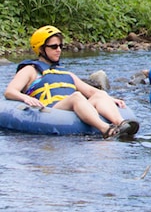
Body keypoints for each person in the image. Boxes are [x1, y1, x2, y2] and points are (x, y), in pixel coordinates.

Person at [4, 26, 139, 139]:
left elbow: (91, 91)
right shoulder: (30, 70)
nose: (58, 50)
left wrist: (110, 99)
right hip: (52, 109)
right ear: (40, 49)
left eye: (60, 46)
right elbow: (10, 91)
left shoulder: (66, 73)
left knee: (100, 94)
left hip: (71, 108)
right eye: (53, 46)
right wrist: (26, 98)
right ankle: (106, 129)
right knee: (77, 96)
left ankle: (121, 124)